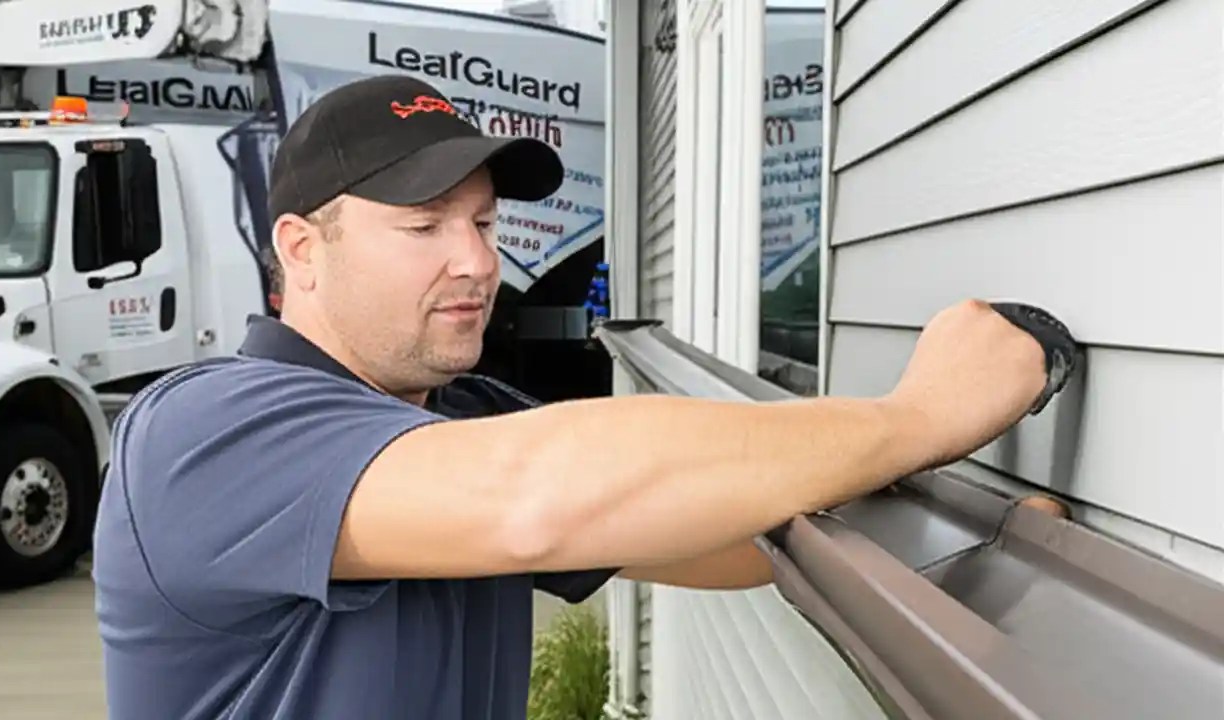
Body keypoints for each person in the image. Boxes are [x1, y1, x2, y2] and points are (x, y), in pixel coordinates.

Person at [92, 74, 1050, 719]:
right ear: (302, 250)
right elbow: (536, 498)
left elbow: (732, 540)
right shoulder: (202, 431)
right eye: (425, 226)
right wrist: (920, 416)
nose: (476, 261)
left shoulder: (456, 417)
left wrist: (960, 547)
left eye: (481, 222)